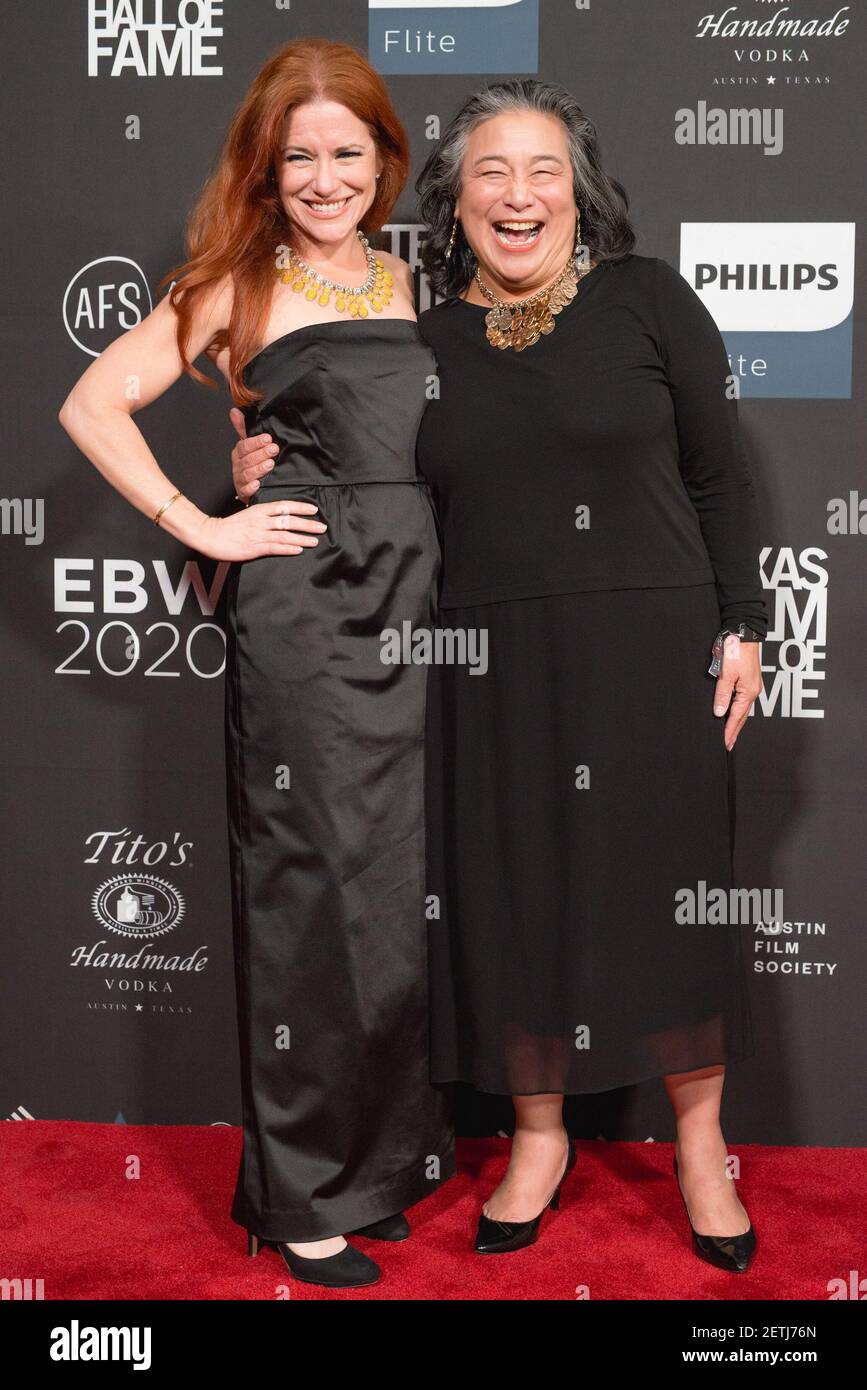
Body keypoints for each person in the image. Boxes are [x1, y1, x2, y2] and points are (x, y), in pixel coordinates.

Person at [232, 79, 767, 1276]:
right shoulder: (423, 331)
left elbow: (721, 477)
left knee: (669, 891)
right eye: (489, 172)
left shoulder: (648, 300)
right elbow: (344, 438)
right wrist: (255, 448)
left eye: (541, 170)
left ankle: (701, 1145)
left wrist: (744, 624)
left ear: (580, 189)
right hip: (486, 653)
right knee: (516, 898)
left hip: (650, 643)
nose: (518, 195)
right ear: (452, 198)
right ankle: (538, 1141)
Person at [58, 37, 454, 1291]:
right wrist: (205, 524)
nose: (327, 178)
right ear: (266, 171)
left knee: (387, 904)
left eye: (349, 153)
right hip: (303, 619)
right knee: (308, 899)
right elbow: (91, 403)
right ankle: (294, 1195)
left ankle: (375, 1168)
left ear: (386, 159)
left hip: (412, 617)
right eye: (301, 158)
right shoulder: (235, 282)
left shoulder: (406, 281)